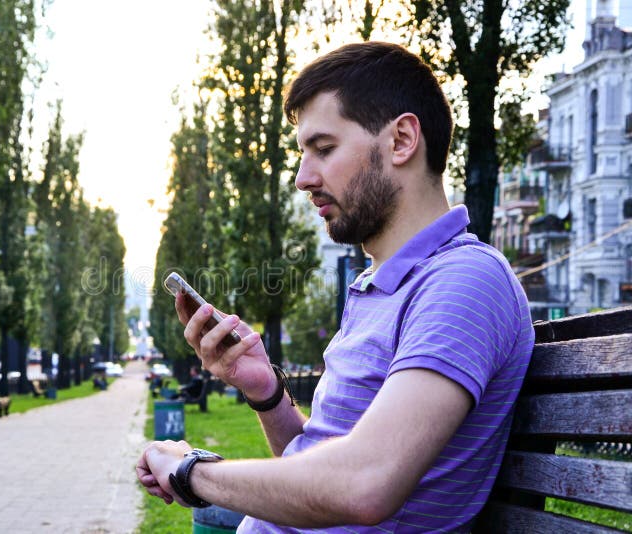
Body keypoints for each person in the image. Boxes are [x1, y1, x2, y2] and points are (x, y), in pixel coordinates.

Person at [136, 42, 534, 532]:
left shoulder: (464, 282)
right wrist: (266, 393)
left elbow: (364, 486)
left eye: (323, 149)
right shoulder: (380, 286)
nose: (304, 178)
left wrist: (191, 472)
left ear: (402, 140)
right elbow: (321, 473)